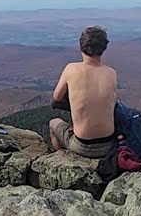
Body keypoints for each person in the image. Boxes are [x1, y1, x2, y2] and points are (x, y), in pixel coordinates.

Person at [49, 26, 119, 159]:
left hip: (82, 145)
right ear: (104, 48)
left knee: (53, 123)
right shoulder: (111, 73)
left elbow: (56, 98)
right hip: (109, 144)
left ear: (81, 45)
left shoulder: (71, 69)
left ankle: (61, 158)